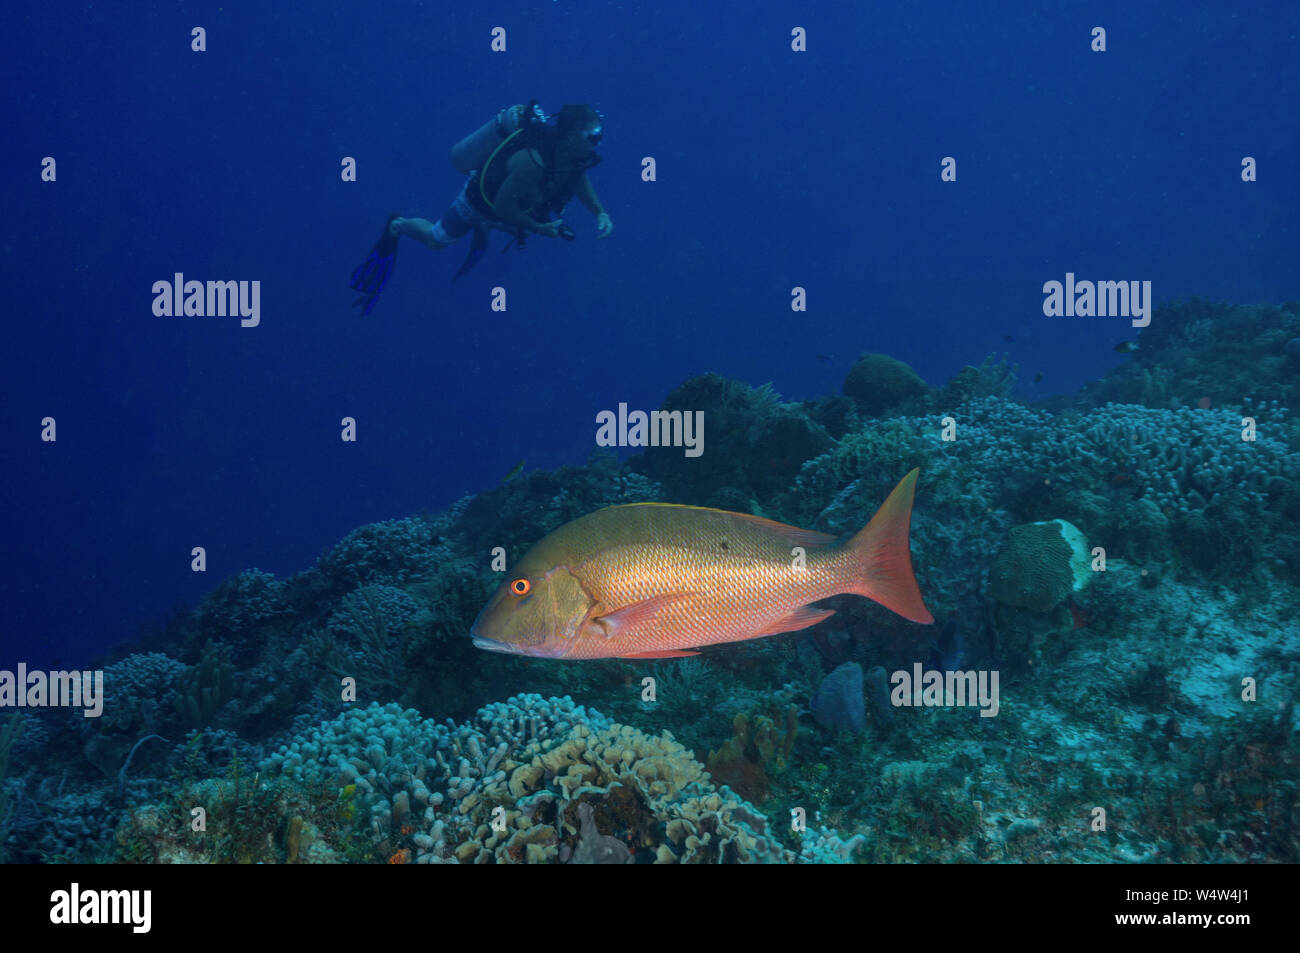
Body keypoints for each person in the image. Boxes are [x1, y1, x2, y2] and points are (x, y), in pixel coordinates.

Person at [350, 103, 612, 314]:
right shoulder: (533, 164)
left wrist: (600, 211)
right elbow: (503, 206)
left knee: (524, 222)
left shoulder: (572, 156)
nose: (598, 142)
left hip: (514, 200)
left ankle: (489, 225)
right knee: (437, 240)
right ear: (570, 137)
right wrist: (542, 229)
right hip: (480, 199)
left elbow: (578, 179)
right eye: (594, 136)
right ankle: (399, 225)